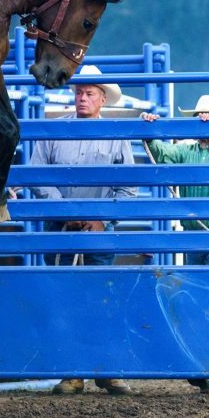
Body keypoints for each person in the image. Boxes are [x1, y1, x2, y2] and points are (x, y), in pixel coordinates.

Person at [31, 65, 136, 396]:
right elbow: (37, 175)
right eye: (78, 92)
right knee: (66, 299)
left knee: (98, 298)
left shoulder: (117, 135)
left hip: (97, 230)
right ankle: (74, 371)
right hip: (62, 227)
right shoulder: (53, 131)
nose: (82, 98)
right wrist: (67, 211)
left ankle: (101, 370)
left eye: (89, 93)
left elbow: (128, 187)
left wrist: (102, 218)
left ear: (102, 100)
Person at [140, 94, 209, 397]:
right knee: (196, 303)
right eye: (200, 116)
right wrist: (149, 130)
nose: (204, 120)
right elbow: (160, 152)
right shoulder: (185, 151)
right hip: (195, 238)